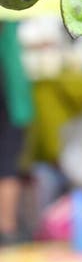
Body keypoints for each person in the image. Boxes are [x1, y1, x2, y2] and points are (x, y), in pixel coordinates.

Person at [0, 21, 33, 244]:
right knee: (7, 162)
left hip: (9, 91)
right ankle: (7, 228)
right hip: (8, 92)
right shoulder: (8, 4)